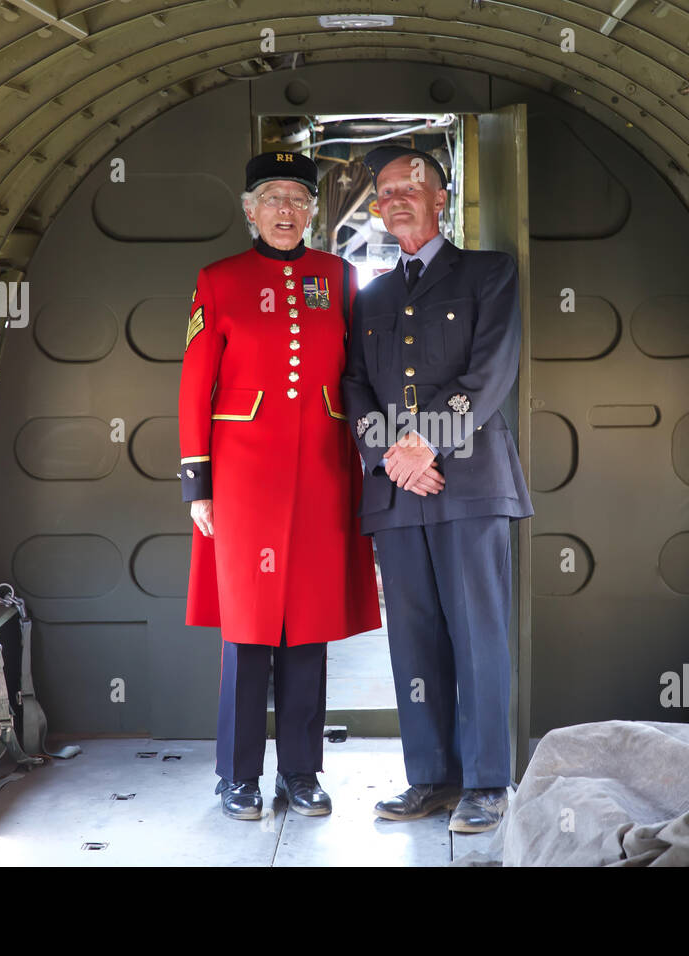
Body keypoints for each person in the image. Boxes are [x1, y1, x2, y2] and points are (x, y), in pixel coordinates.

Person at [178, 151, 380, 821]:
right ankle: (237, 776)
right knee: (248, 628)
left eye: (297, 198)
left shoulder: (339, 276)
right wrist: (196, 483)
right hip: (242, 479)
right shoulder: (220, 280)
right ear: (250, 211)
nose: (286, 210)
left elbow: (358, 372)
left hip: (323, 472)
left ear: (312, 212)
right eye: (272, 198)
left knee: (308, 628)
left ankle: (300, 771)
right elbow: (194, 385)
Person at [341, 146, 533, 833]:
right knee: (413, 637)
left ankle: (487, 783)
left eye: (409, 188)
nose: (395, 198)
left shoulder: (489, 273)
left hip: (471, 483)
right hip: (398, 491)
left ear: (440, 197)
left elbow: (491, 370)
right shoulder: (371, 296)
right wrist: (389, 455)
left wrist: (423, 441)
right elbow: (355, 385)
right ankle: (429, 777)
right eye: (384, 191)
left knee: (478, 635)